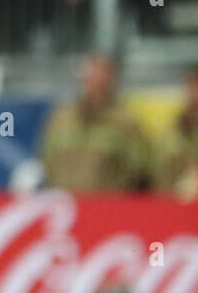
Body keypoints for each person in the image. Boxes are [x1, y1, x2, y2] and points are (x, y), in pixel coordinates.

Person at [39, 53, 152, 192]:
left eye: (103, 78)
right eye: (92, 76)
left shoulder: (127, 124)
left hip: (108, 209)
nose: (97, 84)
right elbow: (47, 164)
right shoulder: (60, 119)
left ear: (112, 81)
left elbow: (141, 175)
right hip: (67, 207)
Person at [153, 65, 198, 200]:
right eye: (191, 86)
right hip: (174, 203)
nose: (196, 93)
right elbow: (159, 172)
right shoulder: (172, 131)